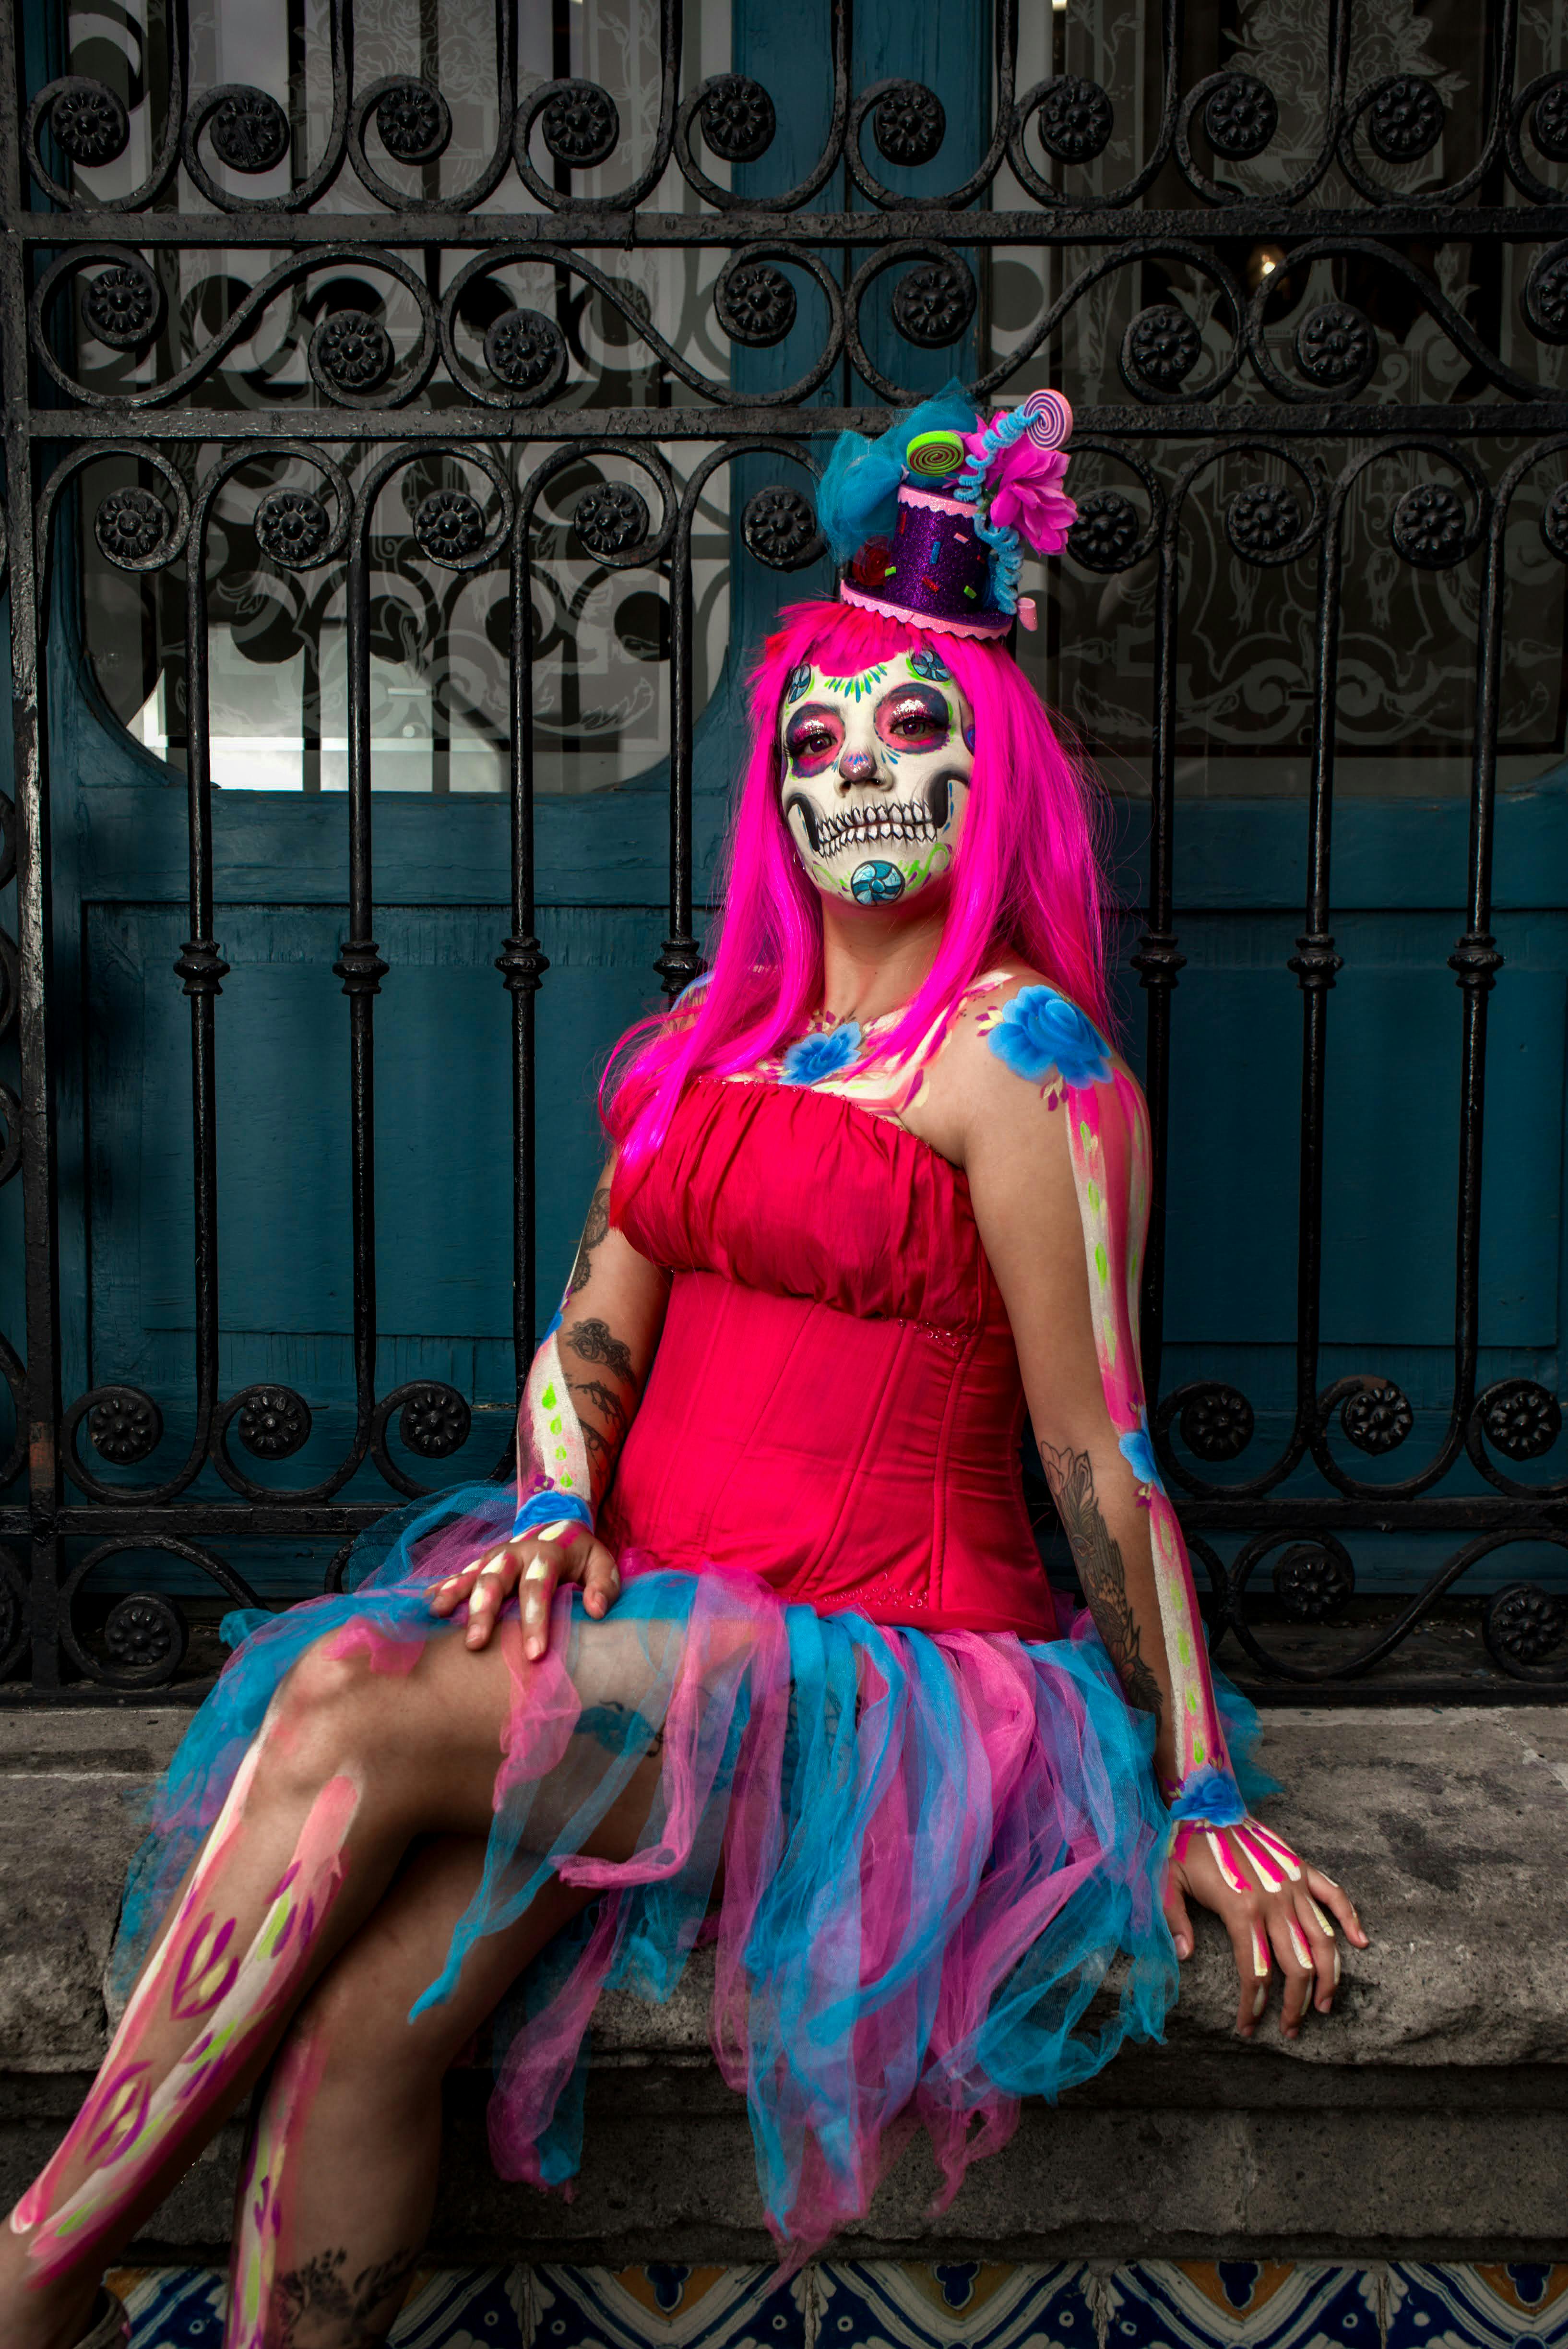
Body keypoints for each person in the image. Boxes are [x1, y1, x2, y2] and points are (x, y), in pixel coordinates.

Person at [1, 388, 1366, 2349]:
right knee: (365, 2023)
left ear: (994, 773)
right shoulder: (705, 1054)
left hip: (867, 1677)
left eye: (913, 727)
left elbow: (1099, 1454)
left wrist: (1205, 1785)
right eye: (816, 740)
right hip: (647, 1627)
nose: (860, 769)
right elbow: (586, 1344)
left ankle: (34, 2269)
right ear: (776, 799)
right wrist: (558, 1499)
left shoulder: (1029, 1062)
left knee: (346, 1690)